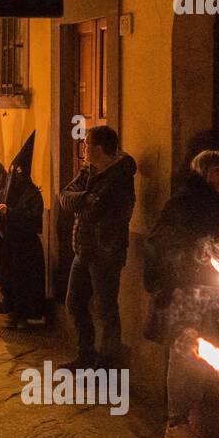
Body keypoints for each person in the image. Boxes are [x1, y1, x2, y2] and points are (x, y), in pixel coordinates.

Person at [142, 150, 219, 438]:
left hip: (209, 293)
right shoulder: (184, 204)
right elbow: (164, 245)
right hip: (185, 294)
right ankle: (176, 423)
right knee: (186, 353)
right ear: (212, 173)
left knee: (205, 352)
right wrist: (199, 253)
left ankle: (195, 414)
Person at [59, 125, 137, 368]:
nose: (83, 148)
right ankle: (86, 354)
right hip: (83, 248)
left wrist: (86, 203)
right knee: (75, 302)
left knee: (105, 309)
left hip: (106, 251)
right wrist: (84, 198)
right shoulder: (89, 171)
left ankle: (108, 364)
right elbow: (64, 196)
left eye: (86, 144)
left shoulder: (120, 177)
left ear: (99, 149)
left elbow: (100, 211)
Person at [0, 130, 46, 329]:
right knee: (9, 280)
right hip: (9, 244)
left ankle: (25, 314)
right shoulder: (5, 191)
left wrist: (10, 213)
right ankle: (12, 311)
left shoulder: (33, 194)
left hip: (26, 247)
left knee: (25, 282)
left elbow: (33, 220)